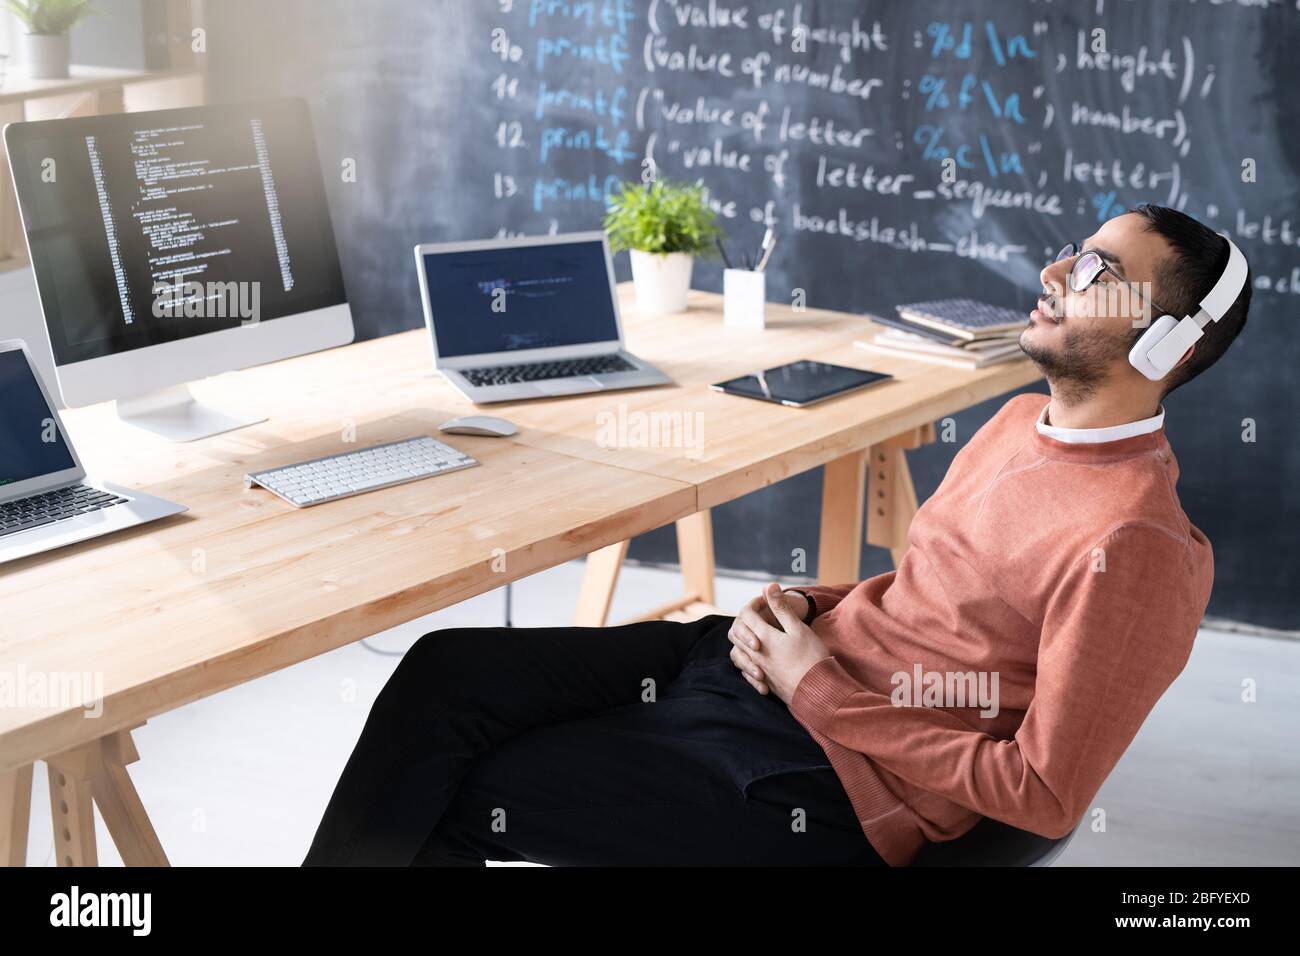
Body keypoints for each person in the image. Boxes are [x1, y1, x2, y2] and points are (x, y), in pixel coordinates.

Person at [303, 204, 1250, 866]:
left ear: (1166, 343)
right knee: (442, 671)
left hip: (828, 782)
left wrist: (821, 691)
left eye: (1097, 273)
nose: (1054, 273)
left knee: (465, 787)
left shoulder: (1137, 547)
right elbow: (934, 599)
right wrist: (809, 609)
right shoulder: (1015, 422)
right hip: (773, 671)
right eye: (1069, 251)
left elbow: (1044, 792)